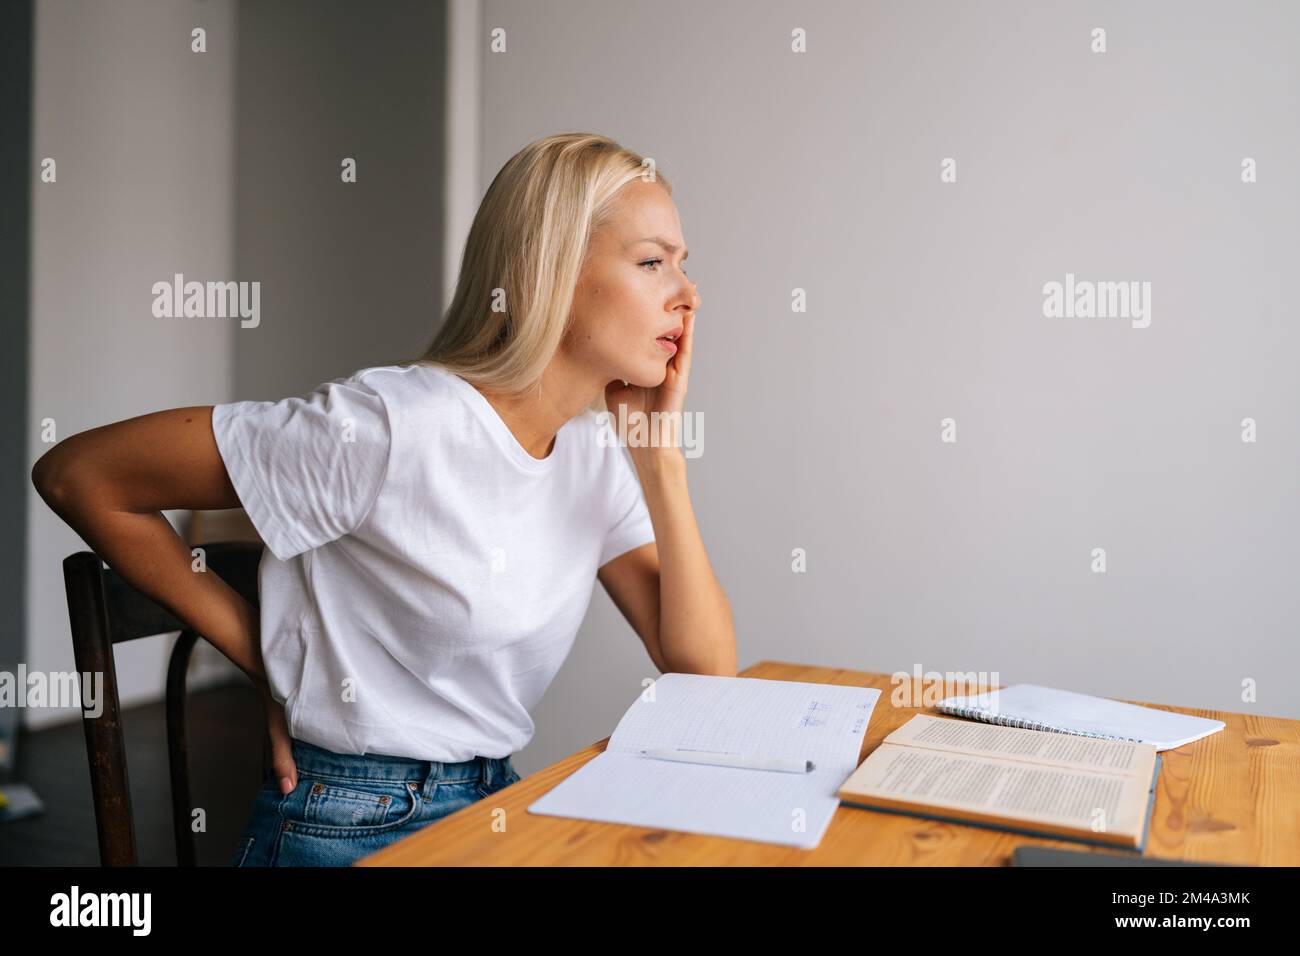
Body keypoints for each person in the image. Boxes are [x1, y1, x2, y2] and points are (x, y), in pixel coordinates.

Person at [31, 132, 736, 866]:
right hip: (351, 821)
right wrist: (268, 657)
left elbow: (704, 671)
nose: (687, 294)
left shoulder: (590, 452)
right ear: (549, 272)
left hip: (492, 803)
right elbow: (80, 474)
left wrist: (662, 461)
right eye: (653, 262)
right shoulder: (393, 425)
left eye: (683, 265)